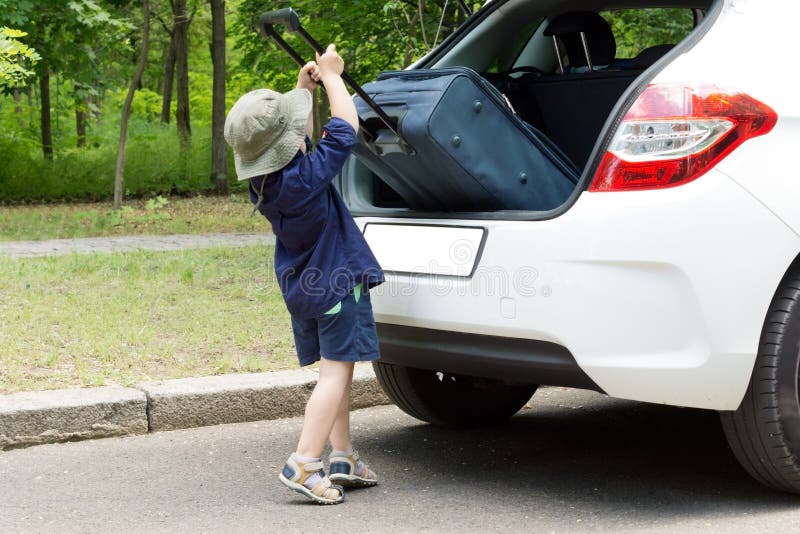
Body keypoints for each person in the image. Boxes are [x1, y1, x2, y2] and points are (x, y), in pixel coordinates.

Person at [224, 44, 384, 505]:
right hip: (336, 284)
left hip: (305, 288)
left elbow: (304, 139)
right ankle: (305, 462)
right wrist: (333, 77)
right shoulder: (304, 177)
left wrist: (302, 89)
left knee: (340, 368)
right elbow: (344, 130)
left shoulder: (269, 182)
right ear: (290, 147)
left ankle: (342, 457)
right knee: (334, 375)